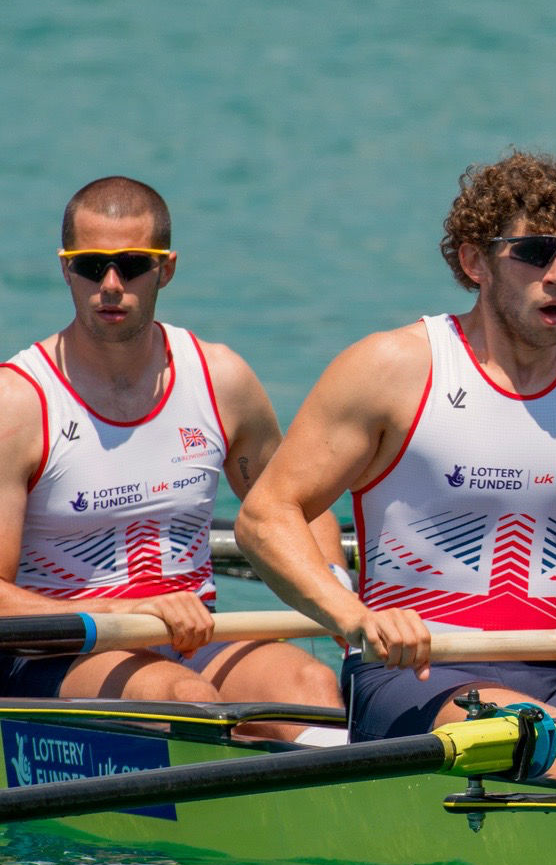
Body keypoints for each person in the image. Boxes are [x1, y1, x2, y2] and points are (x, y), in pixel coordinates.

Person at [236, 150, 556, 775]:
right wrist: (356, 618)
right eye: (535, 253)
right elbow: (267, 517)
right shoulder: (392, 370)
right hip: (417, 676)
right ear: (474, 261)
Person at [0, 176, 345, 742]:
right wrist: (122, 615)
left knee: (307, 687)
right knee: (184, 699)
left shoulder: (221, 379)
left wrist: (333, 592)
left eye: (132, 264)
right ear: (65, 268)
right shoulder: (17, 404)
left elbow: (300, 506)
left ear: (167, 268)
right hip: (57, 653)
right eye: (90, 266)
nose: (110, 285)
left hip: (190, 639)